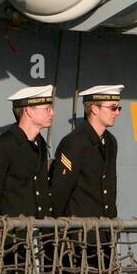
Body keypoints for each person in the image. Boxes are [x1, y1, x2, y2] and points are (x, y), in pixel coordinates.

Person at [0, 85, 54, 216]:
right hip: (11, 231)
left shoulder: (40, 144)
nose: (52, 113)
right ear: (29, 111)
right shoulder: (2, 145)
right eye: (47, 109)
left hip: (36, 229)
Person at [51, 85, 121, 217]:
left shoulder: (111, 142)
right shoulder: (74, 143)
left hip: (105, 230)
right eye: (113, 108)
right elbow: (61, 190)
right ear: (95, 109)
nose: (117, 112)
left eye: (118, 108)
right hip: (79, 230)